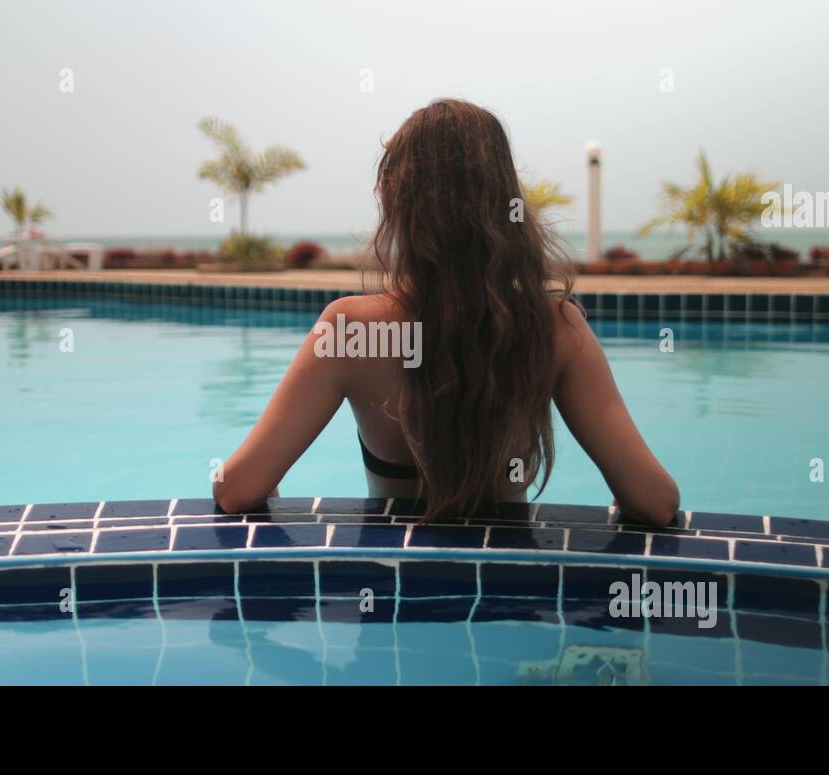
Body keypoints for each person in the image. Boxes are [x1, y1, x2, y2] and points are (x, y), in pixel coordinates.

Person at [213, 98, 678, 526]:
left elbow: (235, 491)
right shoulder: (556, 331)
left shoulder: (350, 331)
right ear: (505, 202)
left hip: (392, 595)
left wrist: (266, 481)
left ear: (398, 203)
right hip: (508, 602)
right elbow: (655, 502)